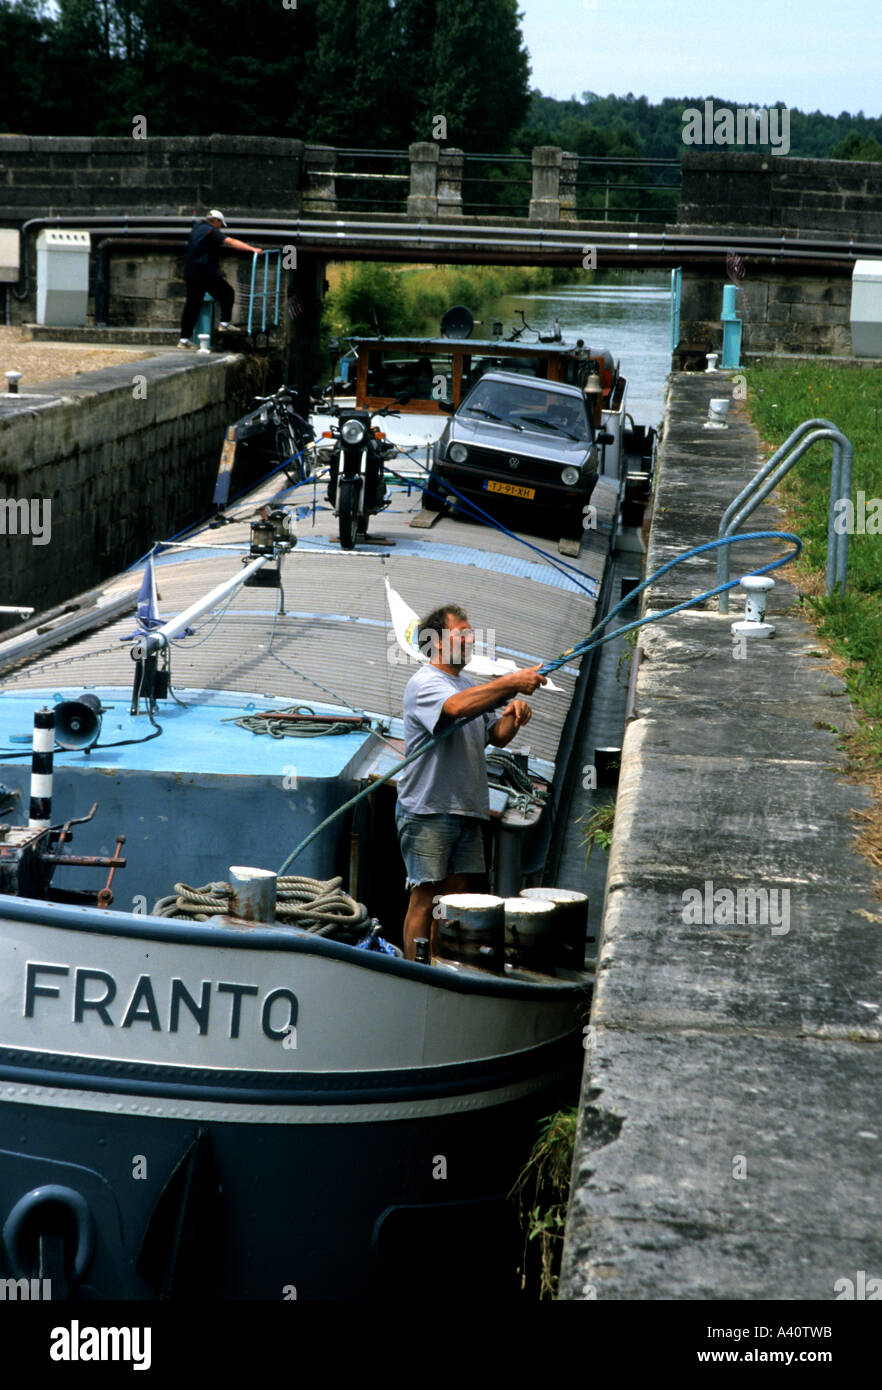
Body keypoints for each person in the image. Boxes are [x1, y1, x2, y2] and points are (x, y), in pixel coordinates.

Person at [395, 604, 547, 959]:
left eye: (470, 631)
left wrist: (514, 714)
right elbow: (458, 708)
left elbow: (495, 736)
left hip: (466, 807)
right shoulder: (426, 683)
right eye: (461, 633)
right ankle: (416, 969)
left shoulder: (466, 684)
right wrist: (508, 683)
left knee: (455, 893)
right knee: (426, 895)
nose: (470, 638)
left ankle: (436, 962)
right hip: (429, 809)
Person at [178, 210, 262, 348]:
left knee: (192, 306)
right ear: (216, 221)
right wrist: (252, 249)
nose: (220, 227)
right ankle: (224, 324)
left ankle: (183, 340)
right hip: (205, 273)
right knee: (227, 293)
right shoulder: (211, 231)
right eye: (220, 224)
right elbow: (230, 241)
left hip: (191, 273)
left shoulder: (197, 227)